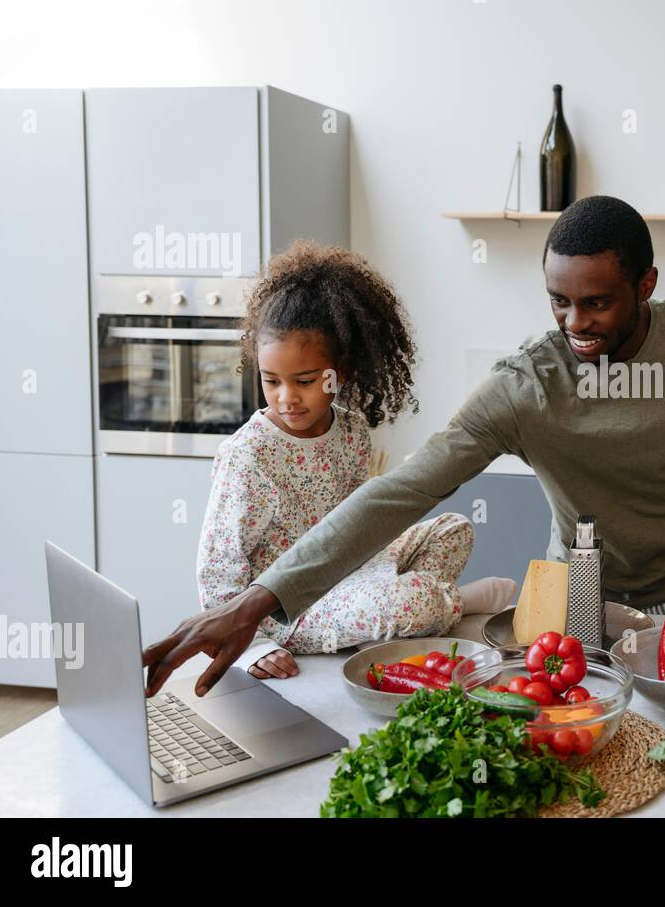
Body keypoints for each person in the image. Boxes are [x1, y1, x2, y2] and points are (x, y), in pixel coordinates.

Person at [144, 197, 665, 698]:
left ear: (645, 284)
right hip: (581, 601)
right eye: (558, 300)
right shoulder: (526, 386)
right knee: (590, 739)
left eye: (595, 302)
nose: (573, 322)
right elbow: (403, 492)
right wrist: (257, 603)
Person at [192, 241, 511, 682]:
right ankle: (449, 603)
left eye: (304, 381)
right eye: (271, 381)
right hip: (289, 610)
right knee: (403, 603)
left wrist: (376, 572)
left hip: (355, 572)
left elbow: (366, 523)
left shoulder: (353, 430)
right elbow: (217, 570)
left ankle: (384, 619)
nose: (287, 397)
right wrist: (254, 646)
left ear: (338, 370)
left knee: (453, 528)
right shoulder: (248, 456)